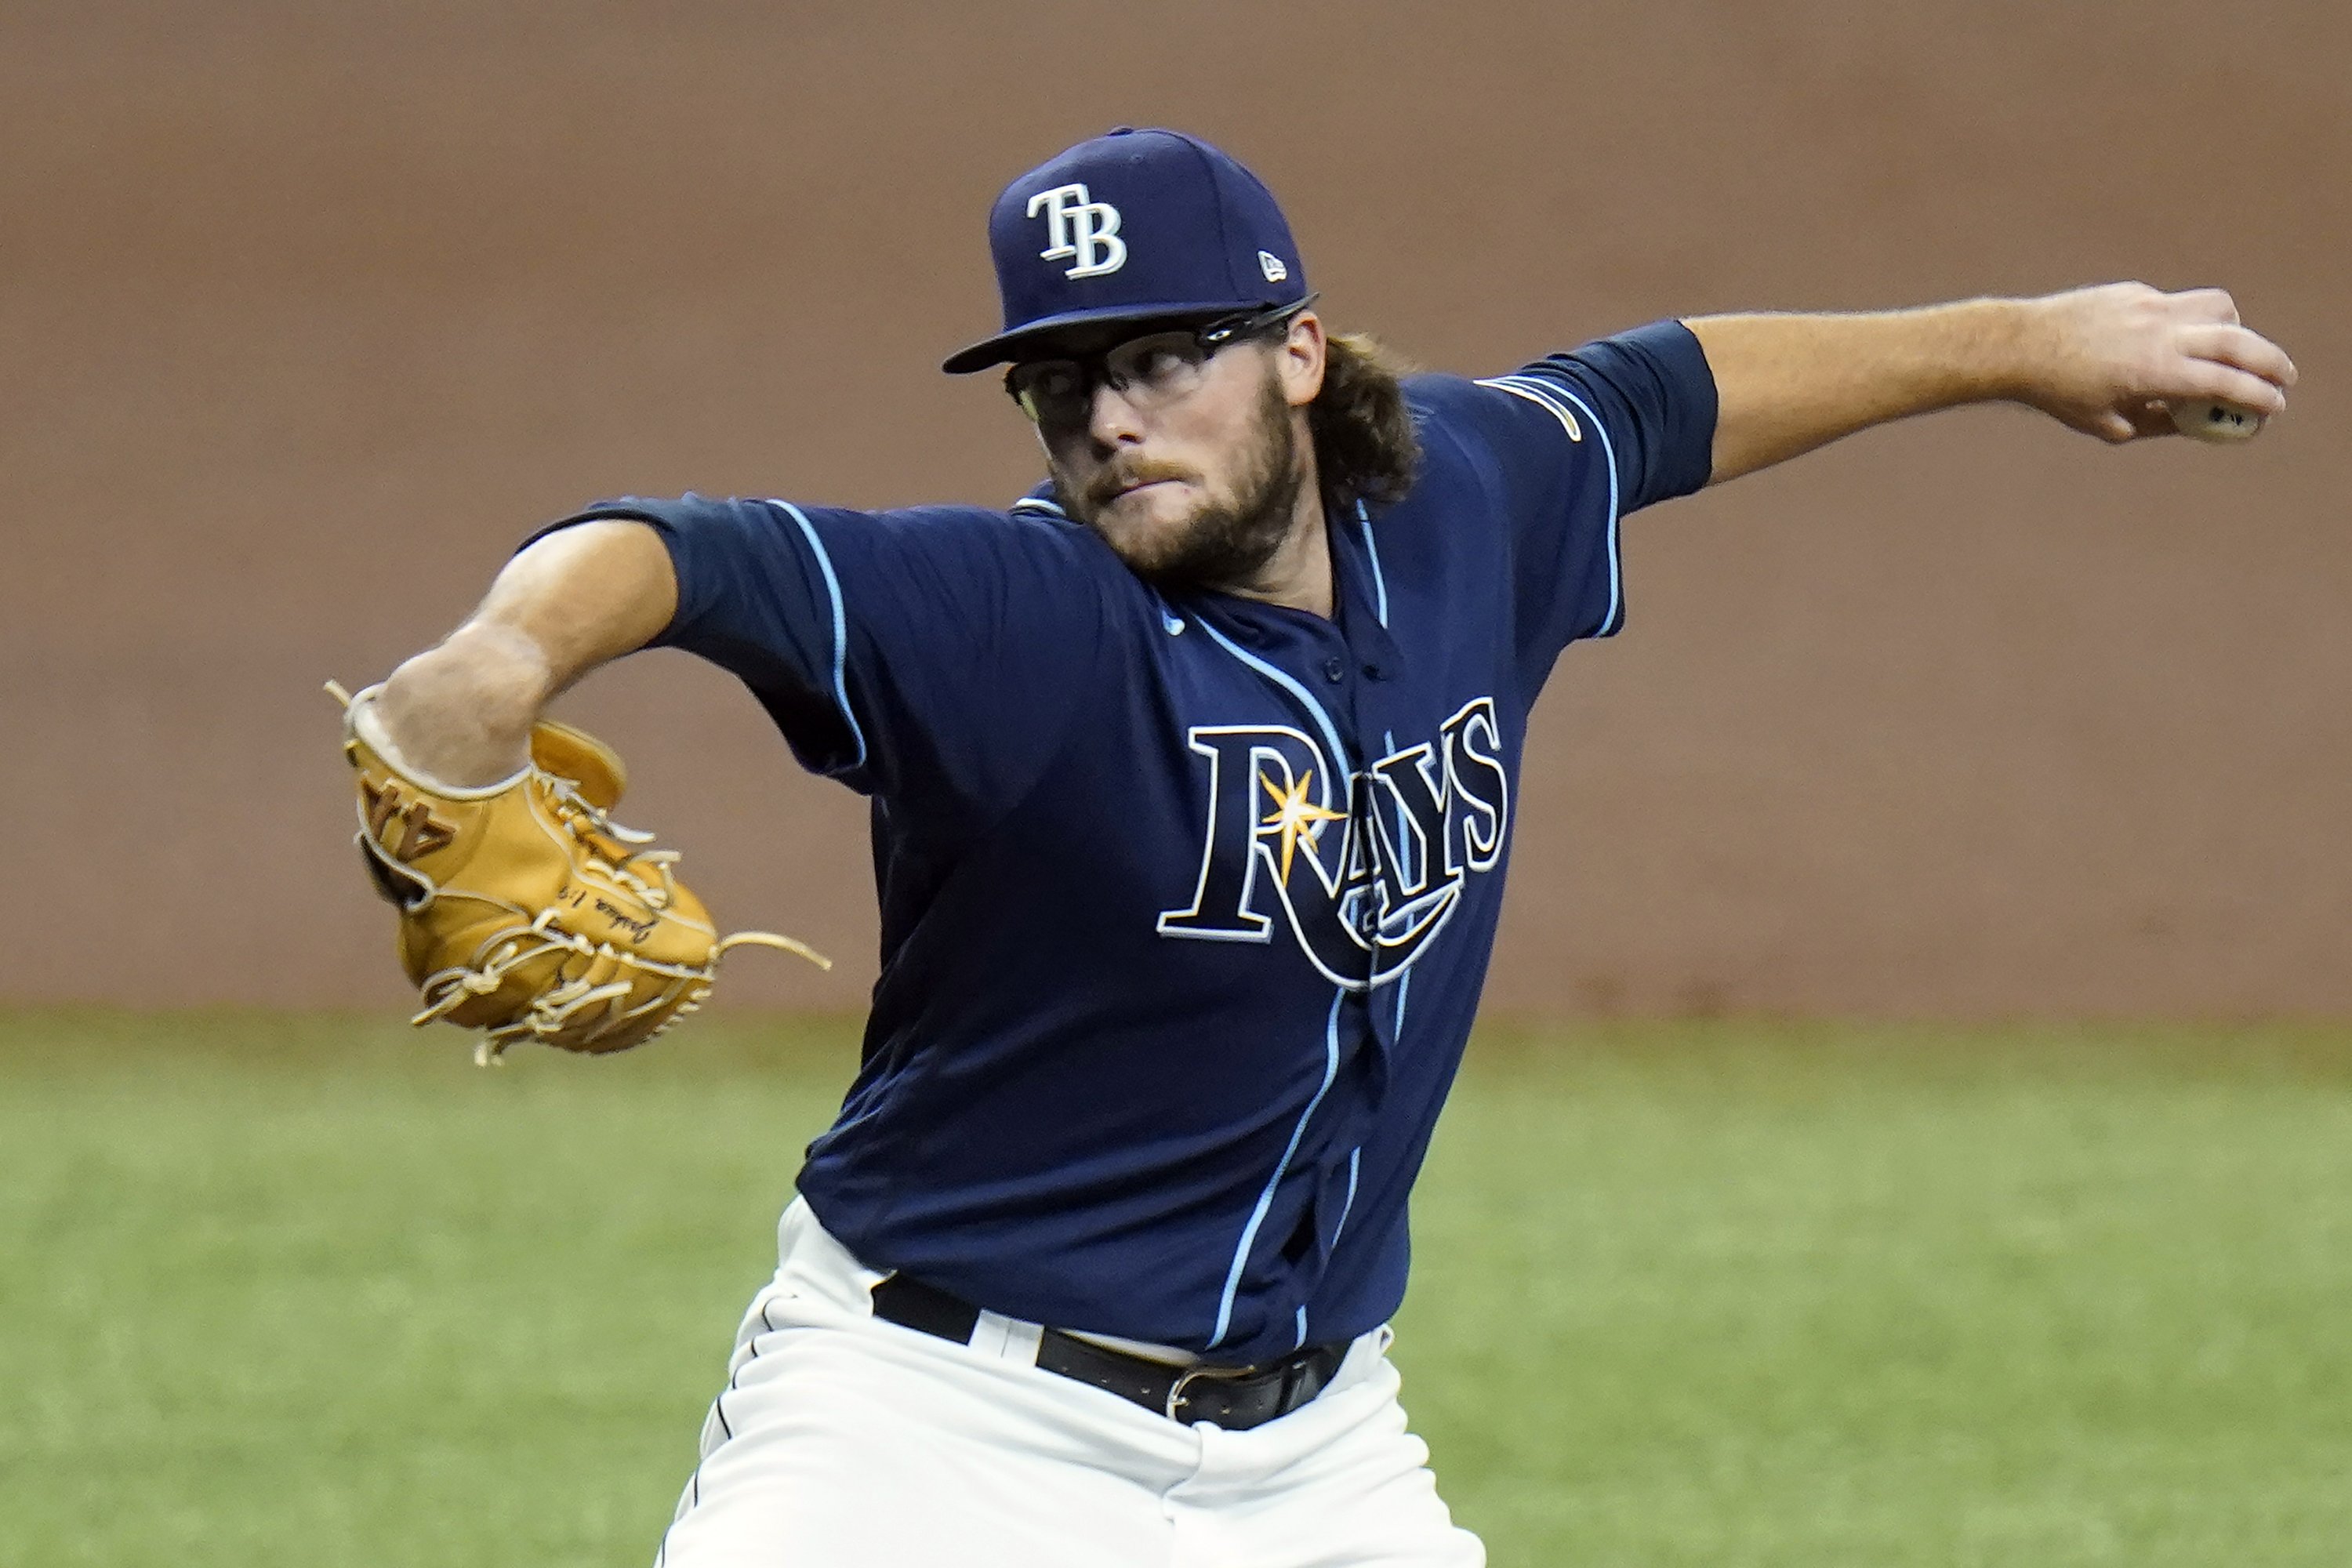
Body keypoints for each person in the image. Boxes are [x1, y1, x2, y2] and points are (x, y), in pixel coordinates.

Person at [355, 128, 2295, 1566]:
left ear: (1296, 352)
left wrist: (2021, 341)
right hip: (931, 1427)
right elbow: (691, 551)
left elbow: (1657, 397)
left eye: (1160, 357)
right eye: (1062, 382)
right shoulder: (1018, 620)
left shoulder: (1460, 503)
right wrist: (491, 667)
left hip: (1314, 1461)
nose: (1110, 420)